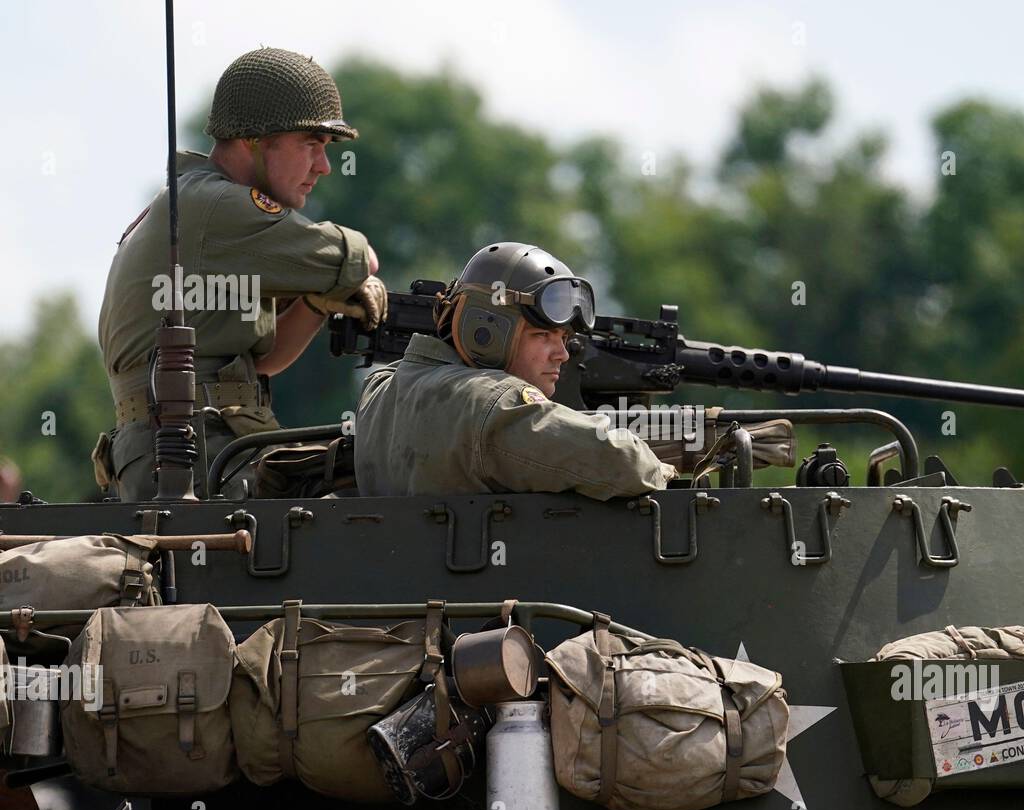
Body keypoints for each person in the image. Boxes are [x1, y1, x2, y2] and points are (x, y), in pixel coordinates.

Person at [94, 47, 386, 501]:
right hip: (193, 448)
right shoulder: (219, 206)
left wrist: (314, 303)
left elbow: (263, 362)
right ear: (255, 139)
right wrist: (345, 276)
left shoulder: (206, 213)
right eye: (311, 145)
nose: (324, 167)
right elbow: (359, 258)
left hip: (200, 441)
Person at [355, 242, 676, 499]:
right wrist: (663, 468)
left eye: (564, 339)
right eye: (542, 336)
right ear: (486, 331)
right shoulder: (494, 401)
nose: (563, 354)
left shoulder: (380, 389)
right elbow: (622, 463)